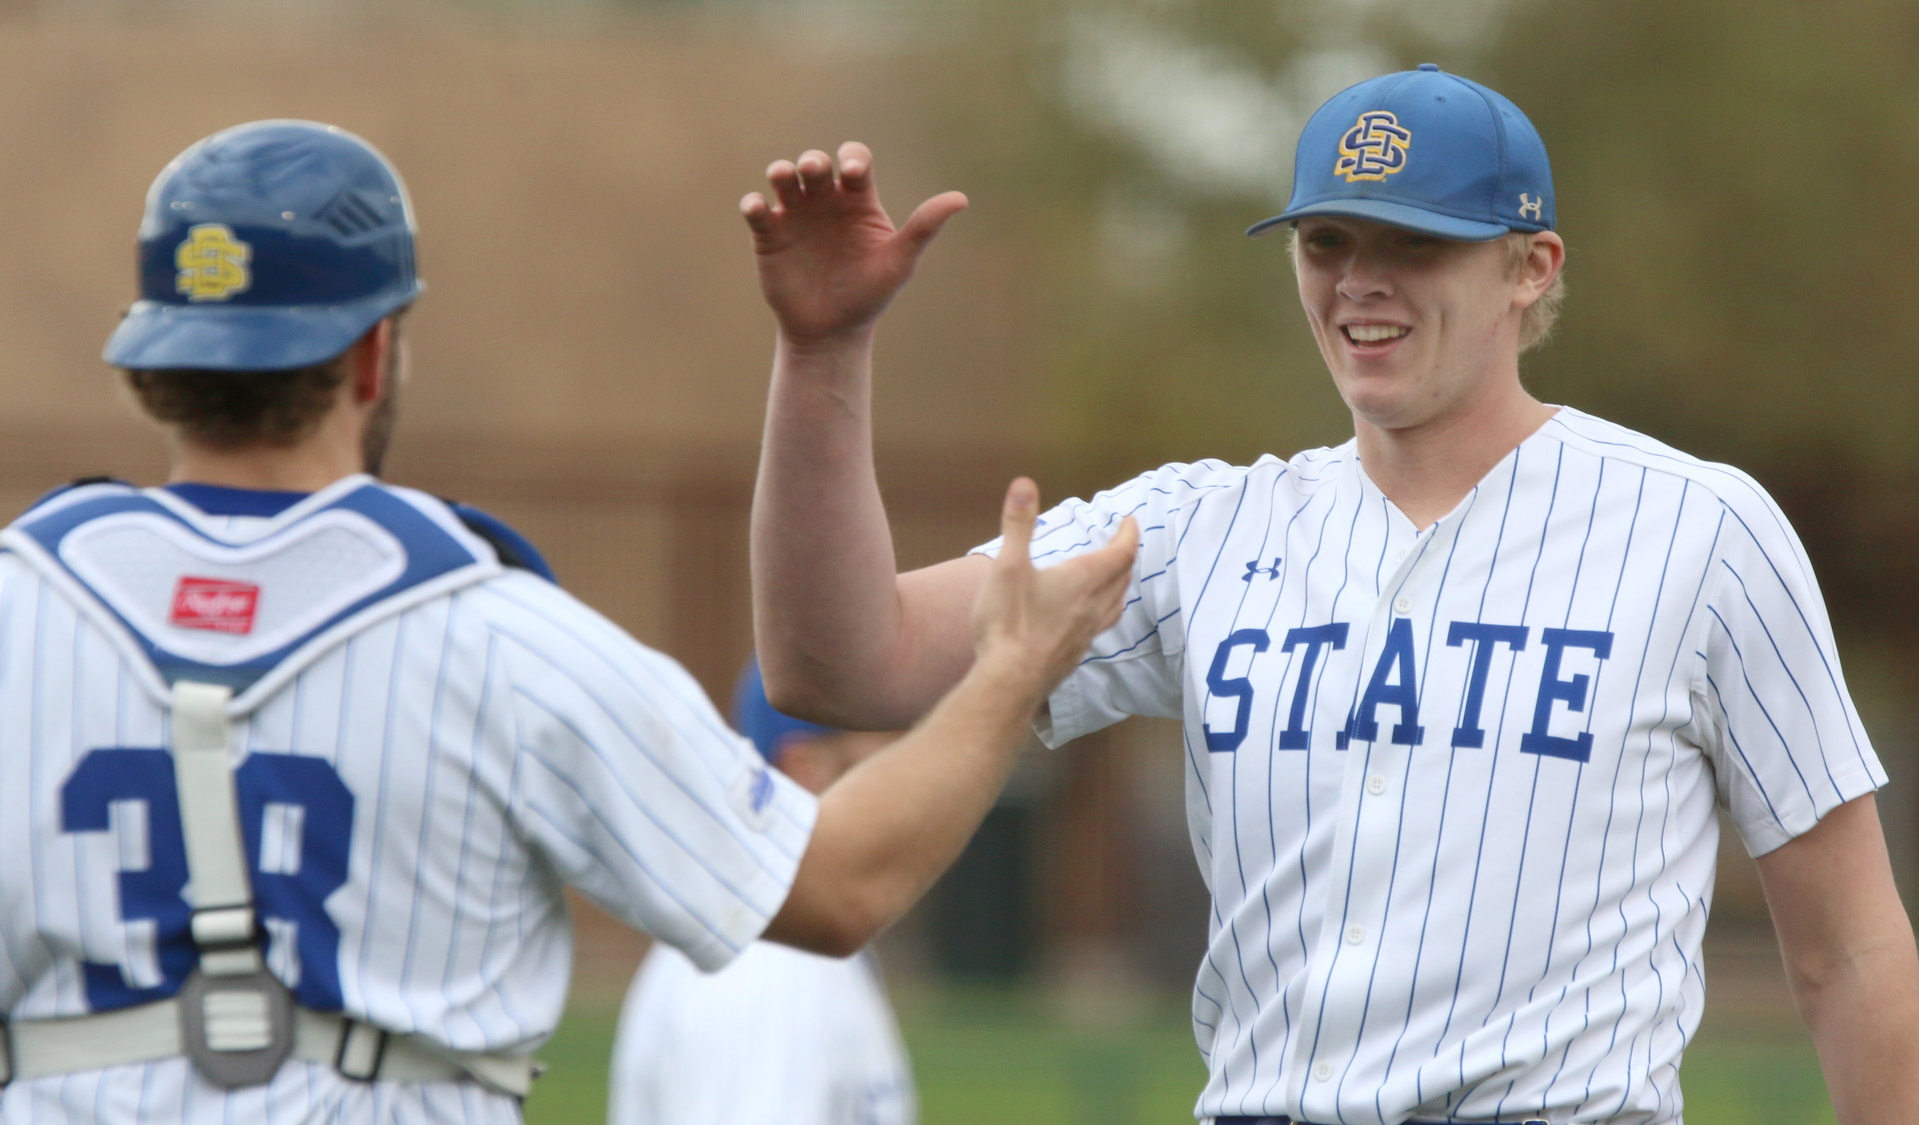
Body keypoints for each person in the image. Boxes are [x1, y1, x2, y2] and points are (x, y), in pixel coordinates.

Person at [740, 65, 1919, 1124]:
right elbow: (843, 665)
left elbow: (1850, 951)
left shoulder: (1698, 530)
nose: (1359, 283)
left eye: (1412, 244)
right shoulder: (1196, 529)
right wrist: (823, 354)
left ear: (1528, 266)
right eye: (1325, 242)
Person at [0, 119, 1137, 1123]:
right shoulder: (505, 642)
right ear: (372, 353)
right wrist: (1007, 669)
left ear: (149, 361)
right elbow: (835, 888)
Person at [609, 660, 916, 1125]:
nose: (913, 799)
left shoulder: (792, 937)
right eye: (881, 767)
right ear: (803, 768)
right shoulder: (765, 971)